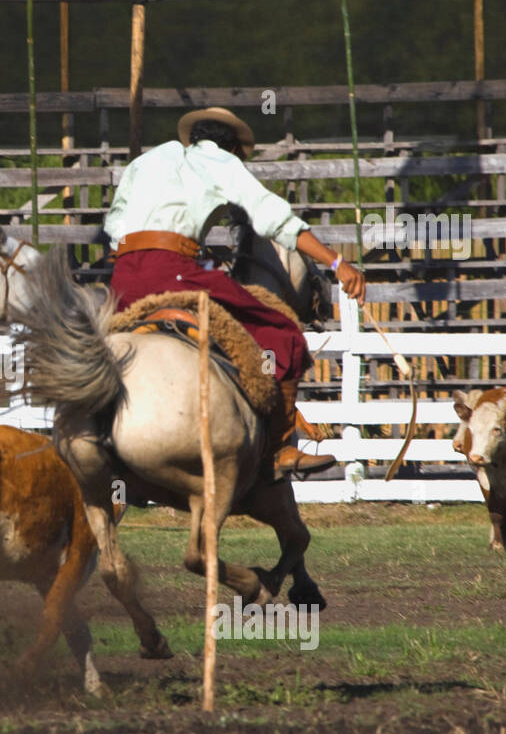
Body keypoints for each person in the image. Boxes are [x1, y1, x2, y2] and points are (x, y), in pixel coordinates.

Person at [104, 106, 368, 480]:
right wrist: (336, 261)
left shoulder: (147, 161)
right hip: (171, 273)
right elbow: (274, 219)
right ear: (232, 148)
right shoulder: (221, 162)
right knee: (283, 334)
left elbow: (114, 225)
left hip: (124, 278)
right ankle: (280, 448)